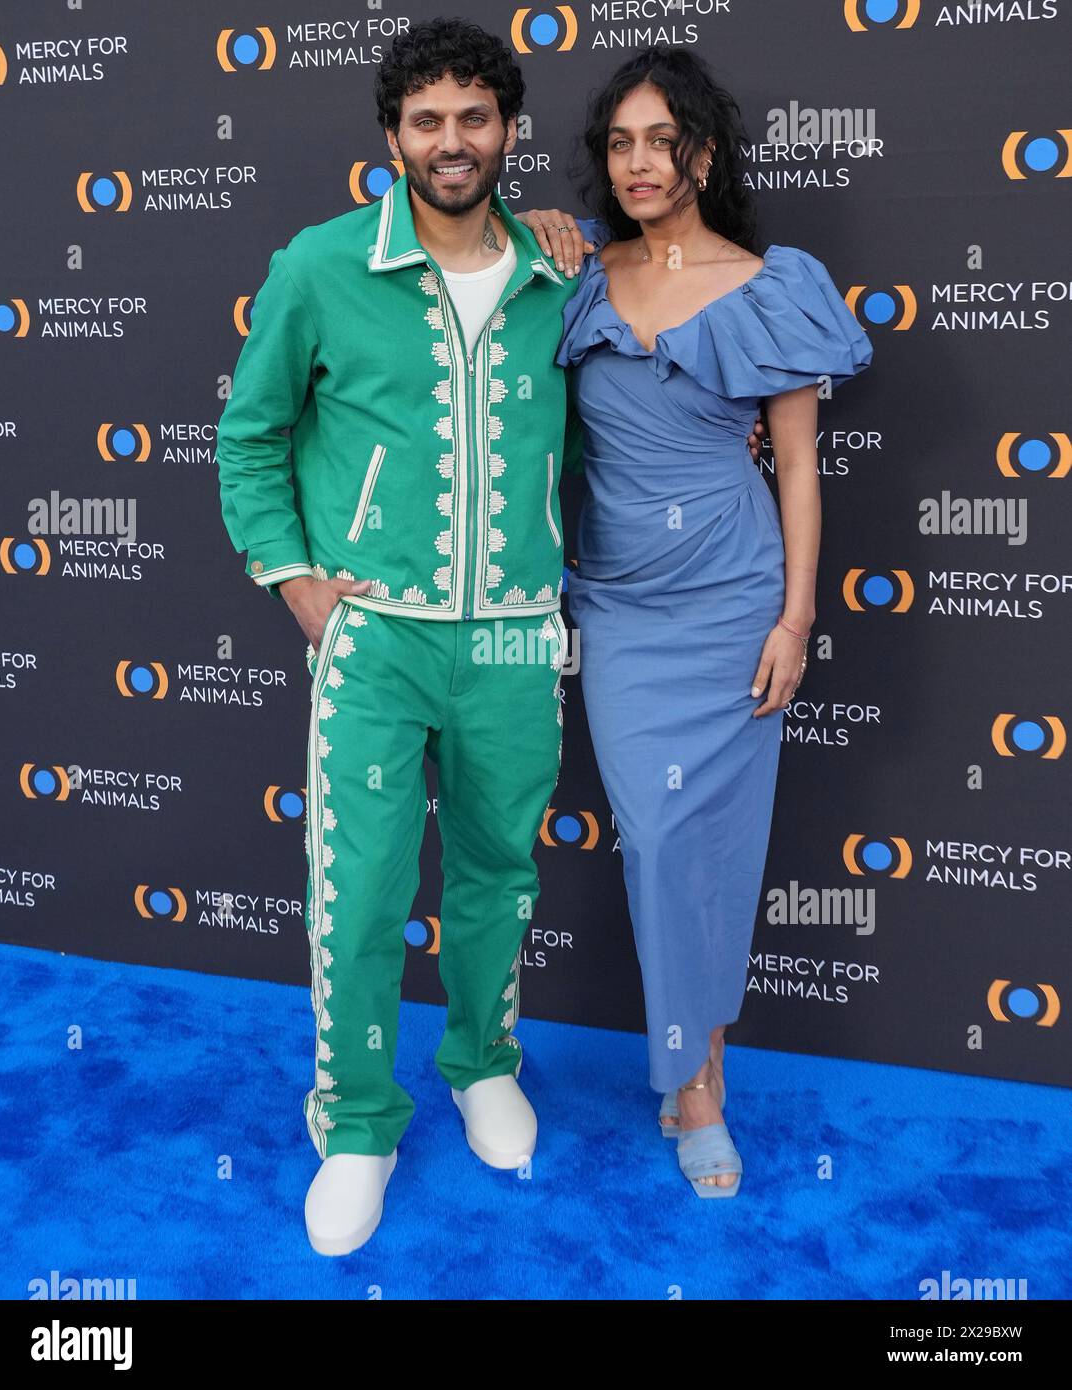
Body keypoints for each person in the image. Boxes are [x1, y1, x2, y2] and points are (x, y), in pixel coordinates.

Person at [215, 18, 586, 1256]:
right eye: (424, 121)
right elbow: (250, 435)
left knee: (497, 873)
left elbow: (614, 426)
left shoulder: (555, 275)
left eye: (472, 118)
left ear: (507, 132)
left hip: (519, 640)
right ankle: (359, 1121)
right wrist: (296, 583)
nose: (450, 141)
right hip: (374, 642)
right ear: (390, 139)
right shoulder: (320, 266)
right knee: (360, 890)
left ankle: (482, 1062)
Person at [518, 46, 873, 1198]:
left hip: (732, 598)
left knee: (710, 850)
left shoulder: (772, 285)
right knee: (658, 839)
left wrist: (795, 616)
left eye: (658, 141)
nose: (635, 163)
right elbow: (457, 267)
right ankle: (685, 1058)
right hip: (617, 606)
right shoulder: (572, 271)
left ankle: (700, 1083)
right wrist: (535, 226)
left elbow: (801, 473)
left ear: (702, 154)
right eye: (617, 143)